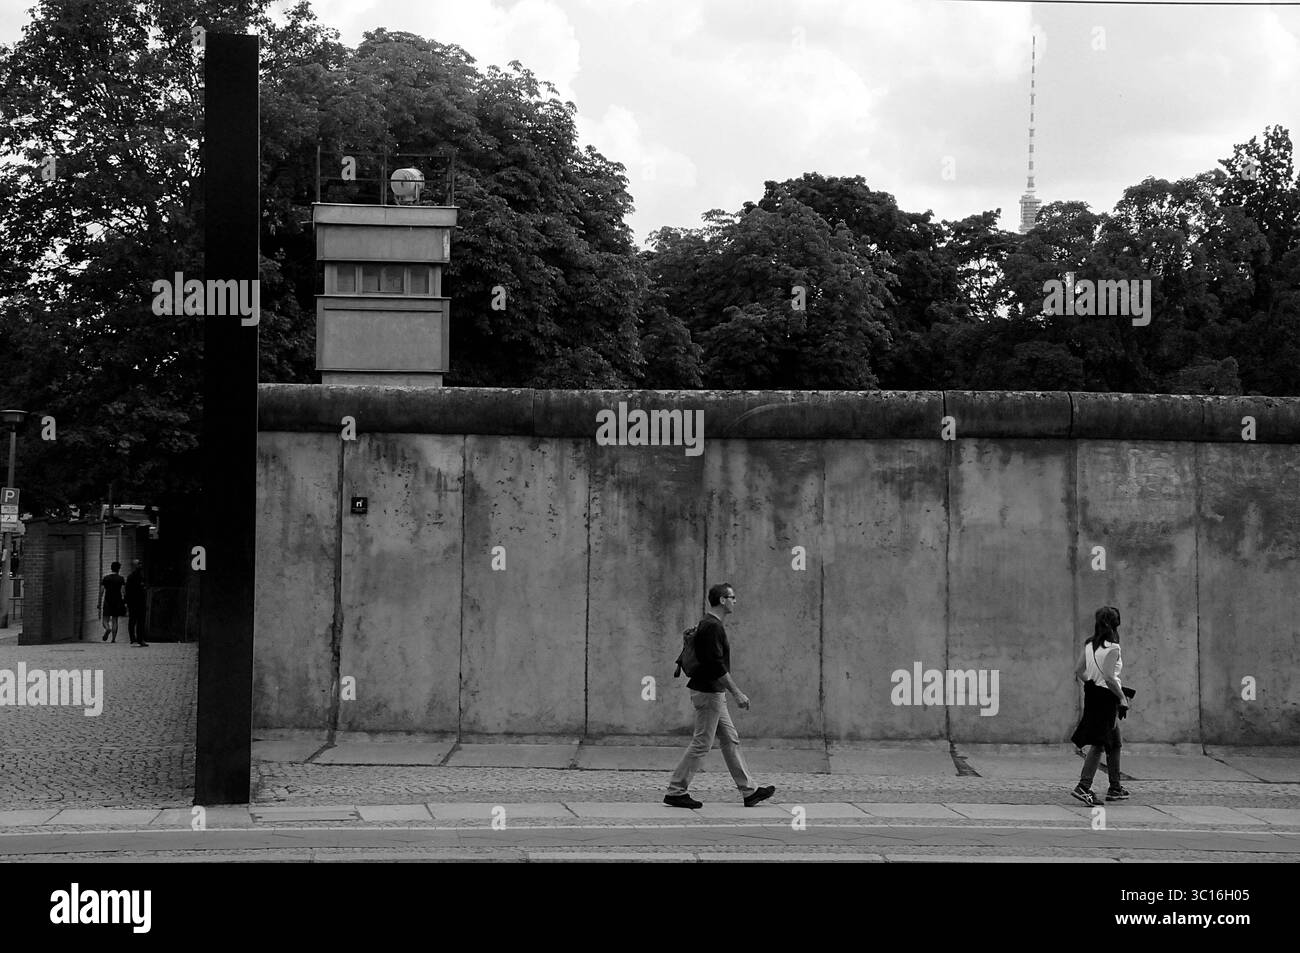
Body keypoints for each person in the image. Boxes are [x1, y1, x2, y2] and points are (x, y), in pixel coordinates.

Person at [663, 582, 775, 810]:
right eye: (732, 597)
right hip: (708, 693)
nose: (735, 601)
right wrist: (737, 693)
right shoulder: (712, 626)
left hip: (712, 692)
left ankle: (749, 791)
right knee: (702, 742)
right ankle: (676, 791)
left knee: (730, 739)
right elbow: (715, 665)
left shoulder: (709, 623)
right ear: (722, 600)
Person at [1070, 605, 1132, 806]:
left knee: (1114, 742)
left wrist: (1092, 683)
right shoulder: (1113, 648)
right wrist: (1121, 697)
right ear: (1116, 625)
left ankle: (1115, 787)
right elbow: (1109, 676)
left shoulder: (1089, 644)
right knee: (1099, 743)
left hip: (1093, 695)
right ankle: (1083, 786)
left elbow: (1079, 670)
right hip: (1107, 698)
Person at [99, 561, 127, 644]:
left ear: (111, 568)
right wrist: (125, 602)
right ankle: (113, 639)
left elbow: (101, 591)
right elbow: (123, 591)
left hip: (107, 600)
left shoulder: (106, 578)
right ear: (118, 569)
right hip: (117, 601)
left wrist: (99, 602)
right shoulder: (121, 579)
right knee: (115, 620)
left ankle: (107, 628)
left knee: (105, 619)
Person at [125, 558, 149, 647]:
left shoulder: (142, 577)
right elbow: (128, 591)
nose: (140, 565)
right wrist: (128, 603)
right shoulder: (131, 577)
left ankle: (140, 639)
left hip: (141, 603)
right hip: (133, 603)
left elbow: (144, 589)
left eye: (141, 564)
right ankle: (133, 639)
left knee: (141, 621)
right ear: (134, 566)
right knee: (133, 621)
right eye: (139, 564)